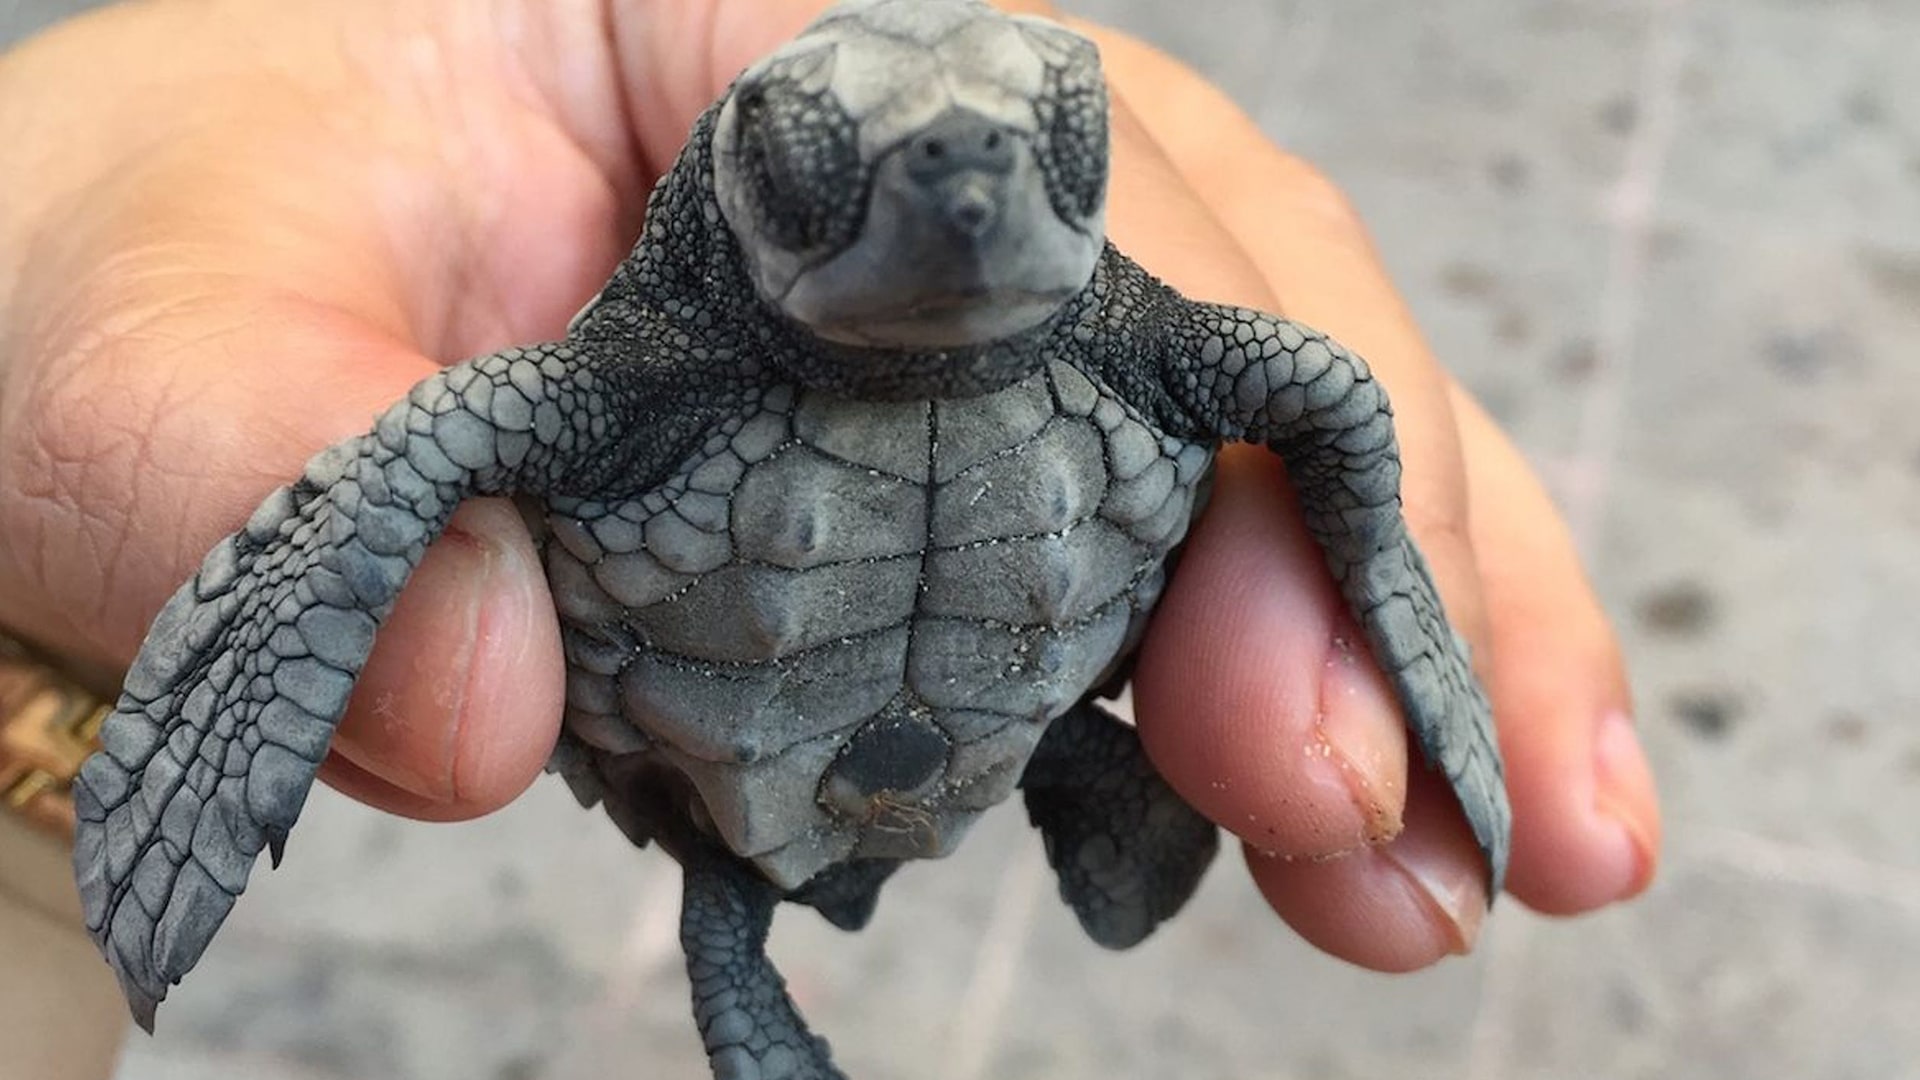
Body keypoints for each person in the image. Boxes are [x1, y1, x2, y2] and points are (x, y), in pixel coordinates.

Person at [0, 1, 1661, 1075]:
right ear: (738, 189)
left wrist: (1409, 632)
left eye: (1044, 156)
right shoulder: (610, 386)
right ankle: (750, 1000)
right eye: (823, 164)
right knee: (724, 899)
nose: (966, 200)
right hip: (725, 795)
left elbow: (1329, 408)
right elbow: (410, 458)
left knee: (1319, 397)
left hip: (1044, 721)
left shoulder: (1161, 343)